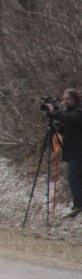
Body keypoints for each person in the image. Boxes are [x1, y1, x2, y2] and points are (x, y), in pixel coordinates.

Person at [47, 89, 82, 218]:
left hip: (79, 151)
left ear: (75, 99)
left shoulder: (79, 111)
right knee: (74, 177)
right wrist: (57, 126)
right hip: (71, 150)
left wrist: (55, 113)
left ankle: (78, 205)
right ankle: (78, 204)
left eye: (68, 99)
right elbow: (66, 129)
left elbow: (72, 120)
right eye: (64, 99)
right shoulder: (67, 112)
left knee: (74, 176)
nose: (65, 101)